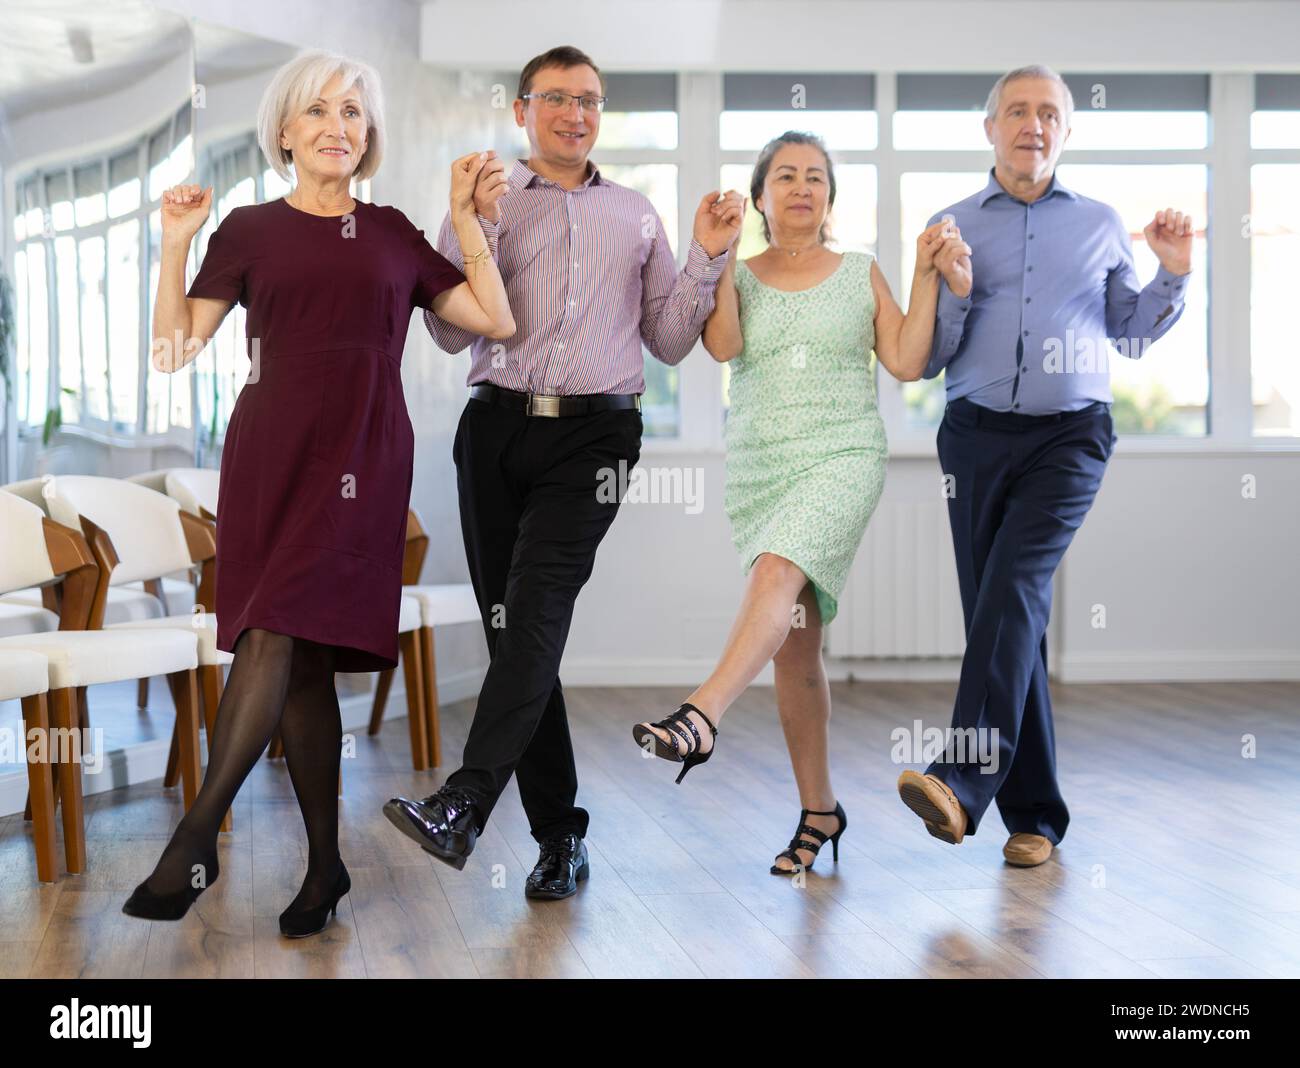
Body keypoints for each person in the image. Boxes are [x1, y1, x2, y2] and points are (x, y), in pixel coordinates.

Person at [121, 50, 513, 936]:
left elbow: (496, 320)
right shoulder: (250, 230)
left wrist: (464, 219)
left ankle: (194, 836)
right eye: (321, 112)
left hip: (362, 459)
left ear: (366, 137)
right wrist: (176, 243)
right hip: (269, 456)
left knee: (277, 629)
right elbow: (174, 348)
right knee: (292, 657)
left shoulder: (392, 232)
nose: (340, 126)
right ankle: (327, 868)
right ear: (287, 132)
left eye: (354, 113)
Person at [382, 45, 743, 899]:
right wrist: (471, 223)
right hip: (495, 432)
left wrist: (706, 255)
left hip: (597, 441)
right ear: (521, 110)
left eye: (590, 100)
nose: (576, 114)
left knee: (536, 606)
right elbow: (445, 333)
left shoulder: (637, 214)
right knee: (520, 636)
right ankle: (560, 839)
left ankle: (466, 802)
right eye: (557, 99)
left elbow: (666, 339)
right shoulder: (484, 201)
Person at [631, 131, 971, 875]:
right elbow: (719, 347)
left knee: (776, 571)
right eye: (784, 176)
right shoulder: (741, 273)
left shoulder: (858, 272)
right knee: (796, 648)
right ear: (760, 197)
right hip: (762, 468)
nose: (801, 187)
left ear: (829, 198)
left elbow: (909, 361)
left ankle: (702, 715)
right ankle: (821, 810)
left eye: (816, 177)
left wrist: (923, 272)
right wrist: (713, 255)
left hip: (844, 456)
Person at [896, 65, 1193, 868]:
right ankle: (1036, 819)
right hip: (973, 437)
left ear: (1067, 131)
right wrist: (952, 286)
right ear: (989, 127)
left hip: (1071, 438)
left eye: (1049, 114)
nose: (1033, 125)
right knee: (1002, 615)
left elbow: (1129, 335)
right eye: (1018, 111)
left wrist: (1172, 271)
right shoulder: (949, 224)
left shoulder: (1100, 221)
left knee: (1014, 590)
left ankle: (960, 780)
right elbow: (928, 358)